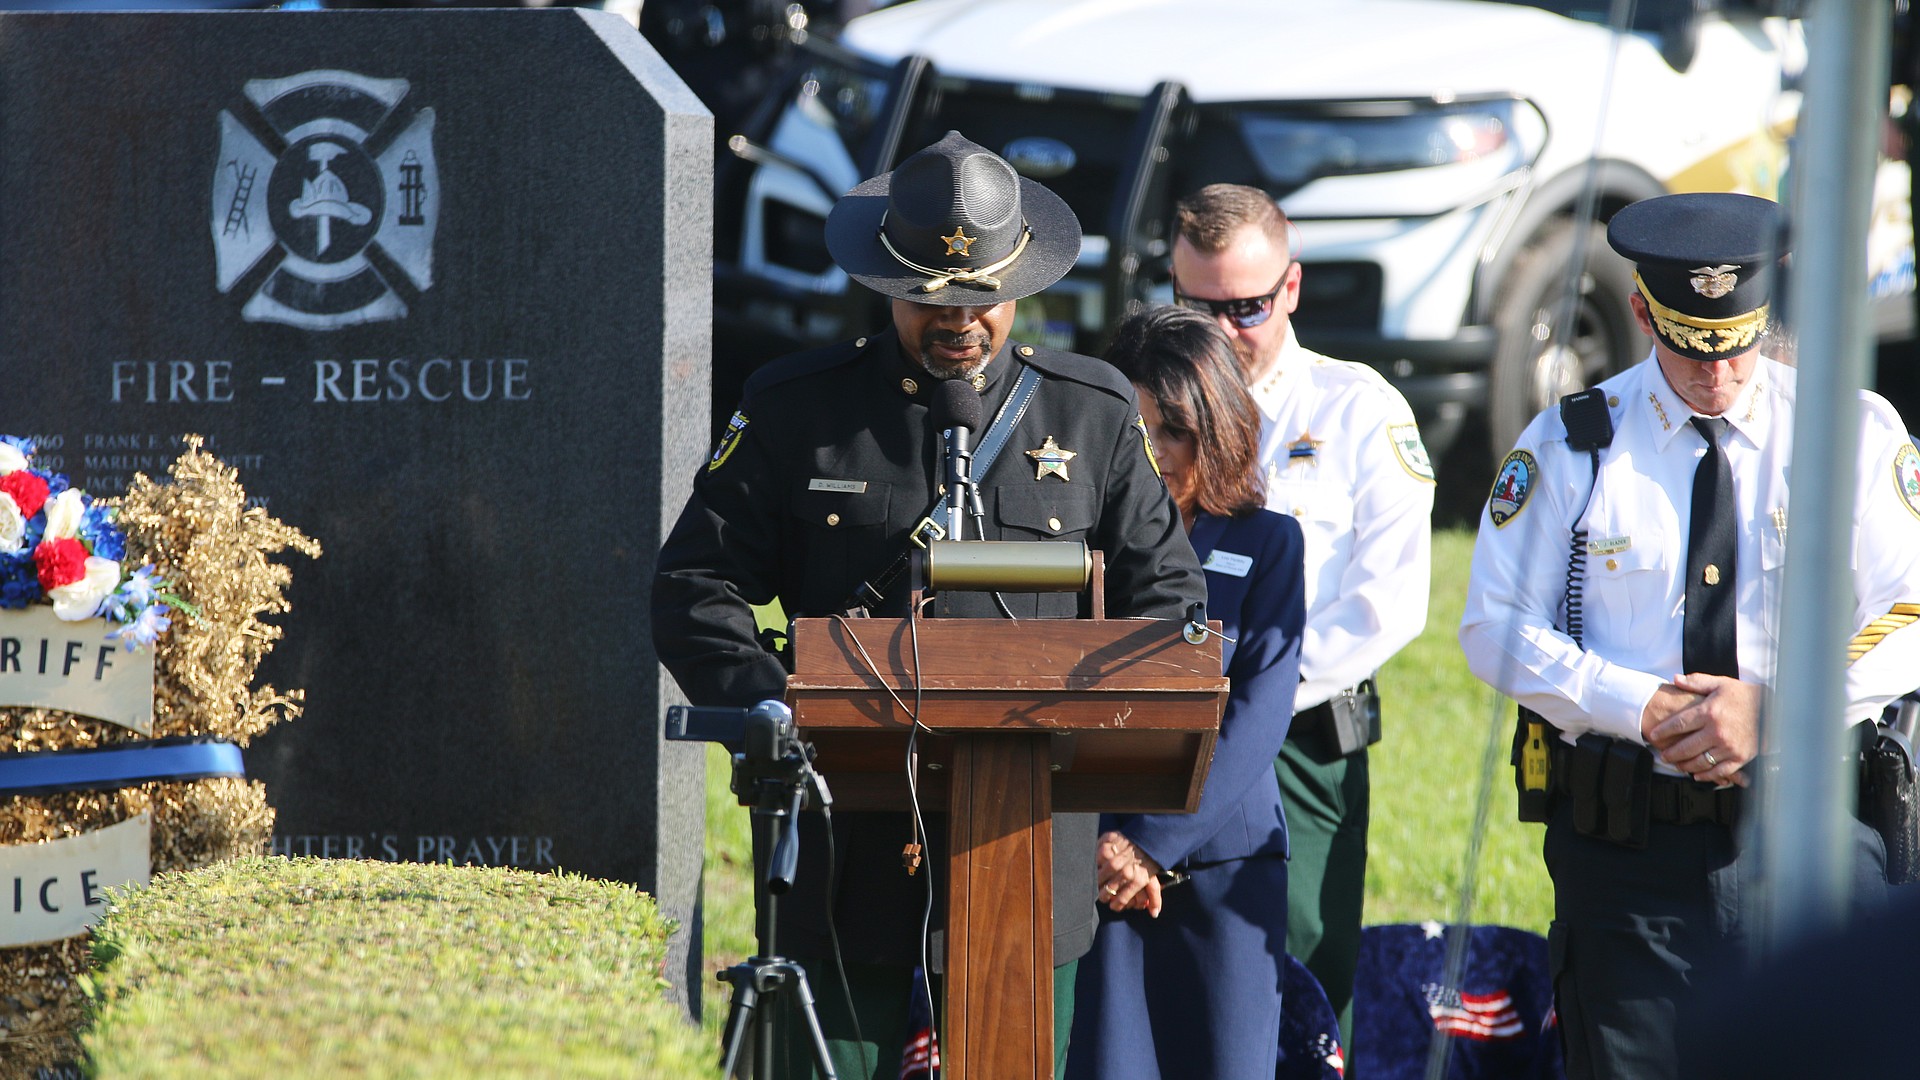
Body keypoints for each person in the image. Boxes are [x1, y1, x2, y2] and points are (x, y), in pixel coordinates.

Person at [652, 130, 1206, 1080]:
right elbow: (691, 584)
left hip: (1029, 823)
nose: (961, 323)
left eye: (984, 300)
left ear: (1021, 283)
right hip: (844, 828)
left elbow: (1170, 599)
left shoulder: (1092, 413)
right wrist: (780, 701)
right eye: (929, 301)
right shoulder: (799, 411)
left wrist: (1093, 719)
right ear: (885, 286)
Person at [1459, 191, 1920, 1079]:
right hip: (1632, 854)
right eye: (1688, 344)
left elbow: (1910, 610)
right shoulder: (1570, 447)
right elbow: (1494, 626)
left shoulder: (1850, 431)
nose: (1717, 374)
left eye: (1737, 344)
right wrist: (1643, 705)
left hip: (1812, 838)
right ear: (1641, 313)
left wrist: (1776, 710)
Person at [1168, 183, 1435, 1048]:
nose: (1218, 334)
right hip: (1156, 726)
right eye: (1195, 307)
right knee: (1168, 964)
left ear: (1291, 288)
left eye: (1243, 308)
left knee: (1304, 974)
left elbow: (1387, 602)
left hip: (1299, 740)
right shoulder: (1136, 406)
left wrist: (1251, 690)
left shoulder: (1357, 410)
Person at [1066, 305, 1306, 1080]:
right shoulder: (1072, 546)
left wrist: (1149, 845)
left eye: (1176, 430)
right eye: (1135, 432)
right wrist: (1110, 848)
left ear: (1222, 427)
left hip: (1221, 870)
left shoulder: (1270, 544)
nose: (1157, 454)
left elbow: (1258, 712)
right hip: (1096, 871)